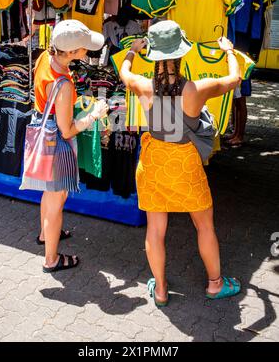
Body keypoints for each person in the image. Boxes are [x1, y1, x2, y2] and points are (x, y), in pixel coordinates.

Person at [120, 20, 242, 306]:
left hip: (153, 162)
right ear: (180, 54)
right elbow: (234, 79)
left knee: (155, 229)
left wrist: (133, 51)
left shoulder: (143, 85)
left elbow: (124, 73)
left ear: (154, 53)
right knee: (204, 226)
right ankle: (215, 284)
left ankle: (160, 290)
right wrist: (230, 52)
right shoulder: (195, 90)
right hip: (184, 163)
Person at [33, 20, 108, 273]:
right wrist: (95, 114)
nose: (87, 52)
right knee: (56, 200)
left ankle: (45, 234)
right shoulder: (63, 85)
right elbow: (68, 129)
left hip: (43, 132)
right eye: (84, 49)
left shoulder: (45, 57)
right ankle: (51, 259)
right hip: (56, 141)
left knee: (50, 191)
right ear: (72, 53)